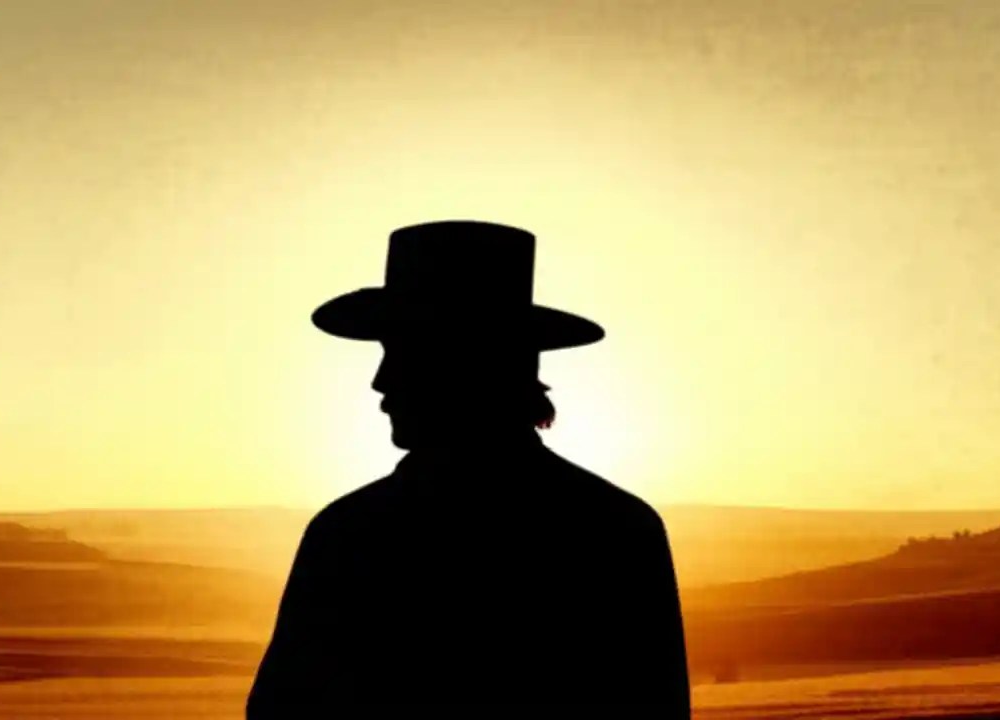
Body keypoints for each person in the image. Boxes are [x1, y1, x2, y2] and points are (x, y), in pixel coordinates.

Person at [247, 221, 690, 717]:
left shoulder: (350, 532)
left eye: (407, 355)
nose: (381, 381)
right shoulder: (617, 528)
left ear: (471, 364)